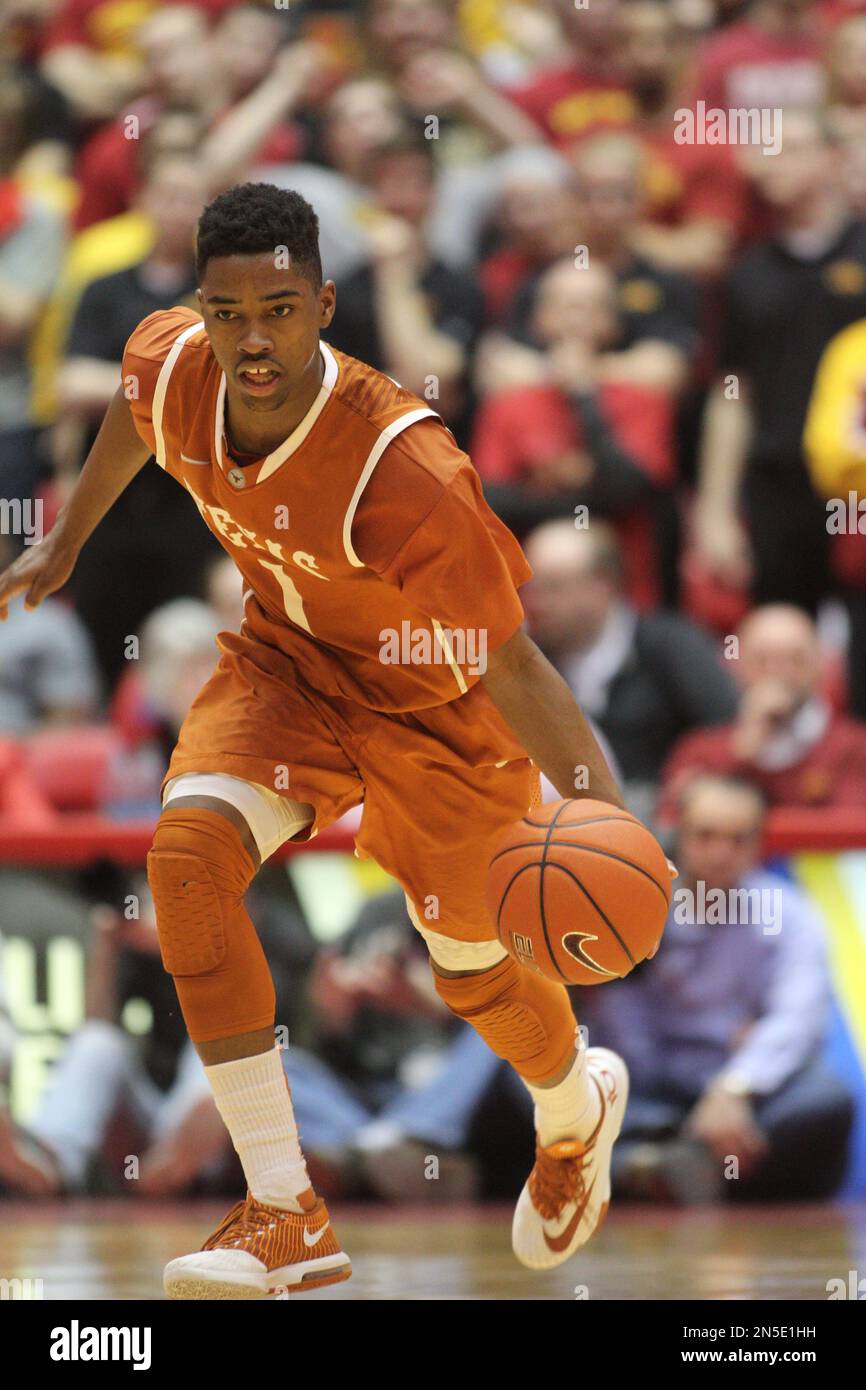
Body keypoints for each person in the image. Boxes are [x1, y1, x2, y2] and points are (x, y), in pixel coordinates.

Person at [0, 182, 657, 1298]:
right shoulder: (171, 359)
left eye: (281, 309)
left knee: (469, 971)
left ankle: (570, 1109)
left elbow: (515, 663)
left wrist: (602, 807)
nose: (252, 339)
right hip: (287, 665)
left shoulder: (403, 467)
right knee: (187, 864)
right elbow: (130, 401)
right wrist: (64, 539)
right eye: (228, 311)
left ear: (325, 304)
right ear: (200, 307)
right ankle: (284, 1210)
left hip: (434, 709)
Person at [577, 774, 854, 1203]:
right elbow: (617, 1024)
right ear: (677, 835)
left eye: (737, 839)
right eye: (705, 835)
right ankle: (675, 1155)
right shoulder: (636, 904)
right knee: (546, 1076)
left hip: (742, 1092)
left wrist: (734, 1086)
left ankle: (652, 1162)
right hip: (645, 1088)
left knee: (826, 1099)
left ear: (759, 844)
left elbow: (800, 1019)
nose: (720, 853)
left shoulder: (789, 913)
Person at [521, 519, 738, 821]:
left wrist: (693, 770)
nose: (535, 603)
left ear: (602, 586)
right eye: (529, 588)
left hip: (665, 829)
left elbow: (729, 726)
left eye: (552, 587)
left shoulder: (671, 646)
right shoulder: (523, 665)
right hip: (560, 832)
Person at [657, 604, 866, 822]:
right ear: (735, 666)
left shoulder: (855, 748)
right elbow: (672, 825)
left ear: (820, 665)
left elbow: (852, 833)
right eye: (762, 660)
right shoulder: (700, 752)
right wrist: (739, 753)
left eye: (795, 659)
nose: (778, 672)